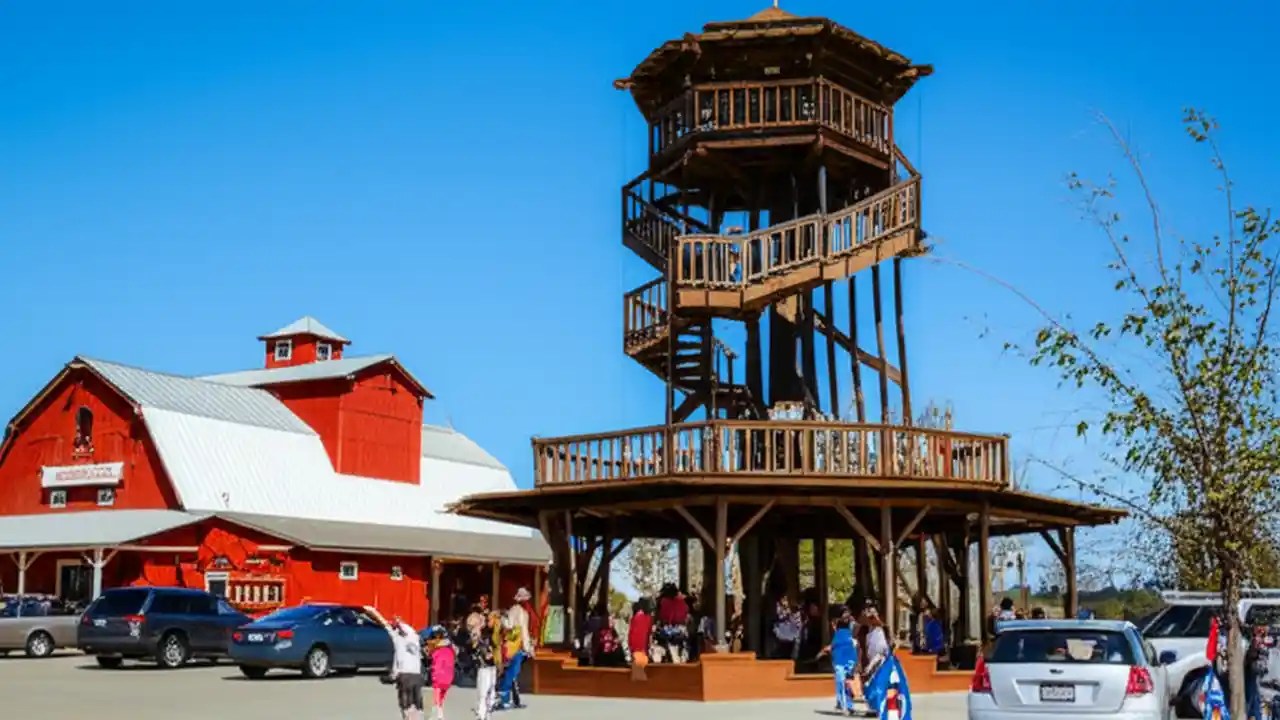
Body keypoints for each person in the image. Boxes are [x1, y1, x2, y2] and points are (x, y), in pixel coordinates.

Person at [818, 610, 861, 715]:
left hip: (841, 662)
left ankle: (844, 706)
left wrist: (822, 652)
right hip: (849, 661)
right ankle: (847, 705)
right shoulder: (847, 634)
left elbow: (833, 647)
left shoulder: (841, 634)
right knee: (847, 683)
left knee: (842, 684)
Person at [388, 616, 425, 720]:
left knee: (405, 703)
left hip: (405, 674)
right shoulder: (415, 638)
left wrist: (394, 673)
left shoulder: (398, 639)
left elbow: (398, 658)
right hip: (416, 675)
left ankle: (408, 715)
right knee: (417, 702)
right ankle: (417, 715)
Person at [471, 612, 502, 720]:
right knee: (485, 691)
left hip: (488, 666)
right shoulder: (484, 634)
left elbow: (492, 648)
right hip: (486, 666)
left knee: (486, 691)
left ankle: (483, 713)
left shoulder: (490, 634)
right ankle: (483, 713)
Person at [424, 626, 456, 720]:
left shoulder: (436, 647)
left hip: (439, 674)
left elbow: (431, 656)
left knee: (437, 694)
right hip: (449, 676)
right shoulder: (450, 647)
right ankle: (439, 711)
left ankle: (438, 713)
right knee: (441, 695)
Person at [628, 598, 653, 679]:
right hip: (643, 649)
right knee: (641, 676)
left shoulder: (635, 618)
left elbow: (631, 635)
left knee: (637, 676)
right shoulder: (648, 618)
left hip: (636, 649)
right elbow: (649, 634)